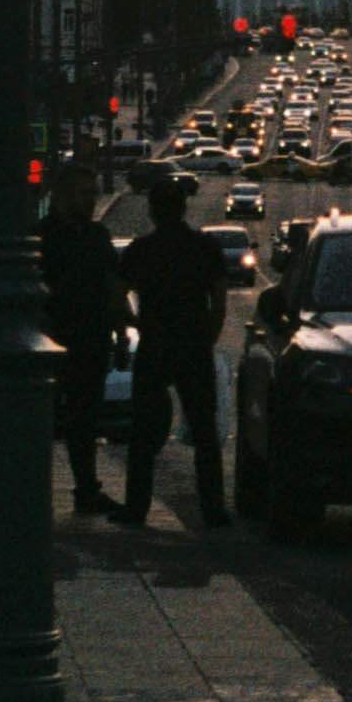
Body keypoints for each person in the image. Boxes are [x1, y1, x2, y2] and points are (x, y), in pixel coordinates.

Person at [114, 175, 231, 528]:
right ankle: (213, 509)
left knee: (143, 430)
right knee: (204, 429)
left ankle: (136, 508)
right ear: (184, 208)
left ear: (151, 211)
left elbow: (116, 295)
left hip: (155, 344)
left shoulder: (140, 249)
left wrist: (130, 328)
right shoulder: (205, 247)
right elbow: (220, 299)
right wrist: (209, 335)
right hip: (194, 344)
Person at [37, 164, 126, 515]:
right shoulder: (42, 237)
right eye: (84, 194)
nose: (91, 200)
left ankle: (87, 490)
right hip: (51, 341)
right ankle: (35, 488)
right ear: (61, 195)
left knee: (84, 422)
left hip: (91, 340)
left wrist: (119, 334)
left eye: (92, 194)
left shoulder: (98, 236)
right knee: (43, 418)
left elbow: (112, 288)